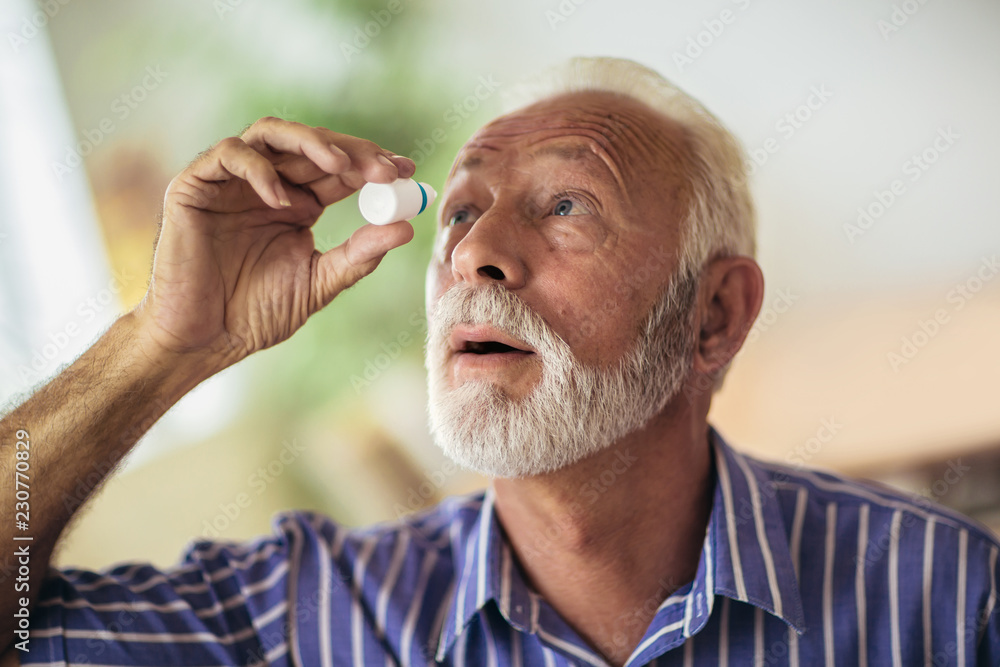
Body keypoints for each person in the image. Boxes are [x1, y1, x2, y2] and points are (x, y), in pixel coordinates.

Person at [1, 56, 997, 667]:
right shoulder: (306, 621)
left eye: (565, 205)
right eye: (464, 209)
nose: (476, 249)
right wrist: (163, 343)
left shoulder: (943, 602)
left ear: (713, 315)